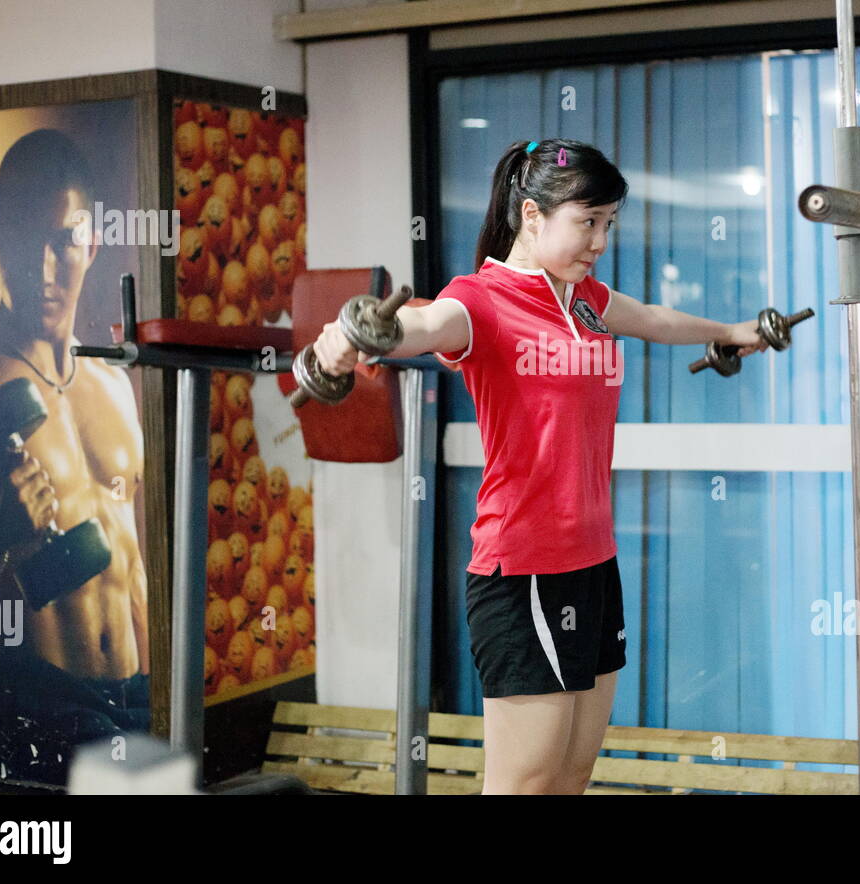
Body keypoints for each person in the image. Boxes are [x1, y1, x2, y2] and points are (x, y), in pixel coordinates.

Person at [314, 138, 768, 794]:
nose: (600, 241)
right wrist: (353, 335)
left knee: (571, 776)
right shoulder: (481, 301)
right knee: (523, 785)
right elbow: (420, 326)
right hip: (522, 570)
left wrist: (729, 331)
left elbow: (655, 319)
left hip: (592, 564)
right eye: (588, 222)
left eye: (609, 223)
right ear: (531, 215)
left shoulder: (584, 301)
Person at [0, 129, 149, 785]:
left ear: (92, 240)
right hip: (40, 705)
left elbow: (131, 562)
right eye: (26, 243)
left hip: (135, 701)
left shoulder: (113, 384)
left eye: (64, 242)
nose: (48, 270)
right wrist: (0, 529)